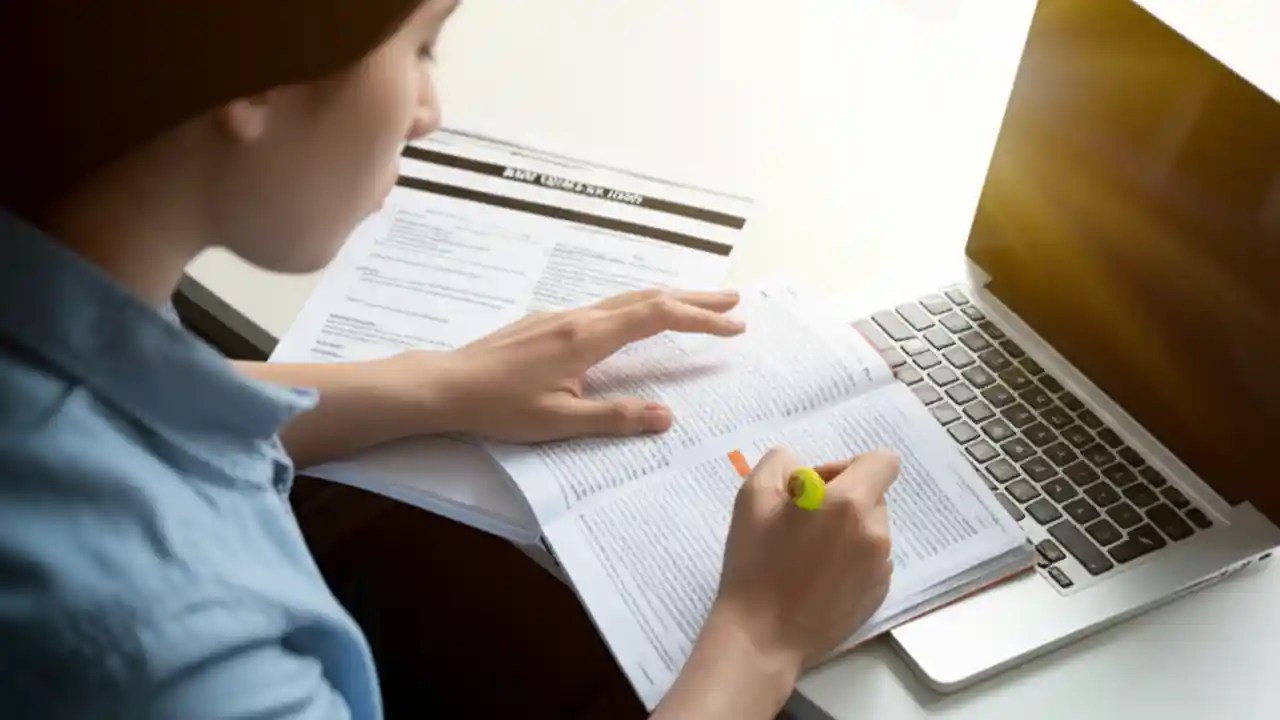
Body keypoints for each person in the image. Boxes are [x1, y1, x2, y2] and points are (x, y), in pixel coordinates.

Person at [0, 1, 900, 718]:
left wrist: (434, 384)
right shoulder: (184, 662)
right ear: (260, 79)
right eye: (422, 46)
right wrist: (759, 639)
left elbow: (133, 415)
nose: (430, 115)